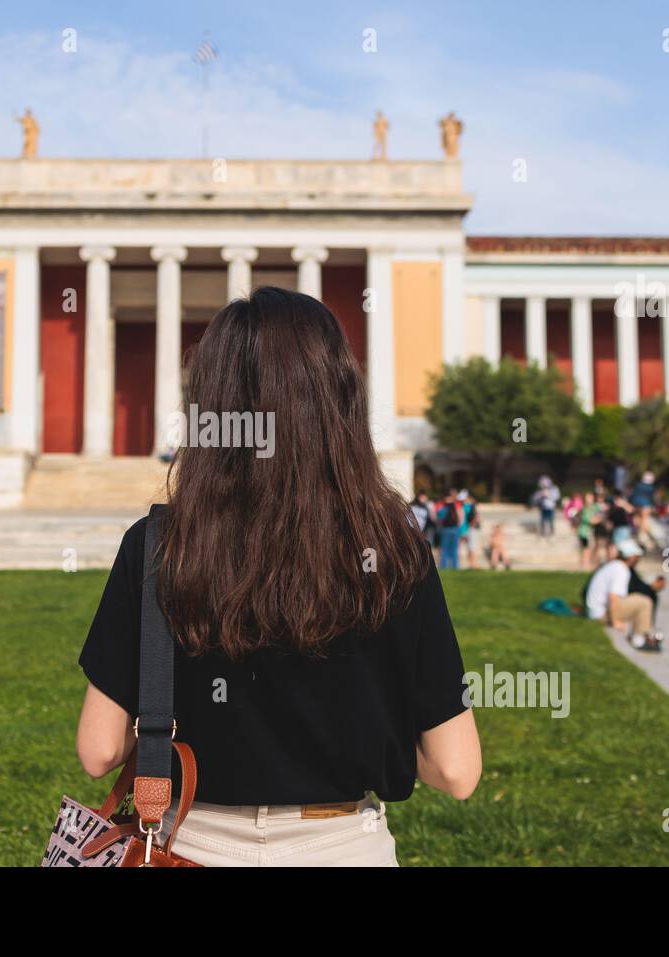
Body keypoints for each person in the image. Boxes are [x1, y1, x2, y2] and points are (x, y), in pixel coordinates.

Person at [75, 287, 481, 867]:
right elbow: (456, 769)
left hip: (185, 840)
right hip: (342, 846)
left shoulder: (159, 544)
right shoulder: (393, 549)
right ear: (339, 396)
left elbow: (99, 750)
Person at [582, 539, 662, 652]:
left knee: (637, 599)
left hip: (594, 611)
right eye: (636, 556)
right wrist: (616, 622)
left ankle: (639, 634)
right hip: (600, 614)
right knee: (644, 602)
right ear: (630, 556)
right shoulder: (621, 570)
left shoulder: (613, 565)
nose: (638, 559)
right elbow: (613, 597)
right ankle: (639, 639)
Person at [435, 490, 463, 570]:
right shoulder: (456, 506)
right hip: (455, 529)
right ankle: (455, 566)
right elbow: (460, 518)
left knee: (444, 549)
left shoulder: (443, 508)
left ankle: (444, 566)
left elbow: (439, 519)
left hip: (445, 529)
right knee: (454, 549)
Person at [630, 471, 658, 544]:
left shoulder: (638, 485)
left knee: (637, 518)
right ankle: (642, 535)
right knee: (645, 519)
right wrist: (653, 506)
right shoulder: (651, 487)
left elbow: (633, 494)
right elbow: (652, 498)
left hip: (636, 504)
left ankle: (636, 532)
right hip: (645, 504)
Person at [576, 491, 602, 568]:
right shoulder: (585, 509)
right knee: (586, 548)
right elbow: (589, 520)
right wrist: (600, 519)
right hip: (584, 532)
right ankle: (585, 564)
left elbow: (601, 508)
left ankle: (587, 563)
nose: (590, 499)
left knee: (590, 548)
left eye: (591, 497)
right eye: (588, 497)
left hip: (590, 531)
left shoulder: (594, 507)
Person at [458, 489, 480, 569]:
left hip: (466, 529)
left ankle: (472, 564)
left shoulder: (465, 507)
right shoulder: (469, 506)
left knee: (469, 547)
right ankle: (473, 564)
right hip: (469, 529)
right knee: (471, 547)